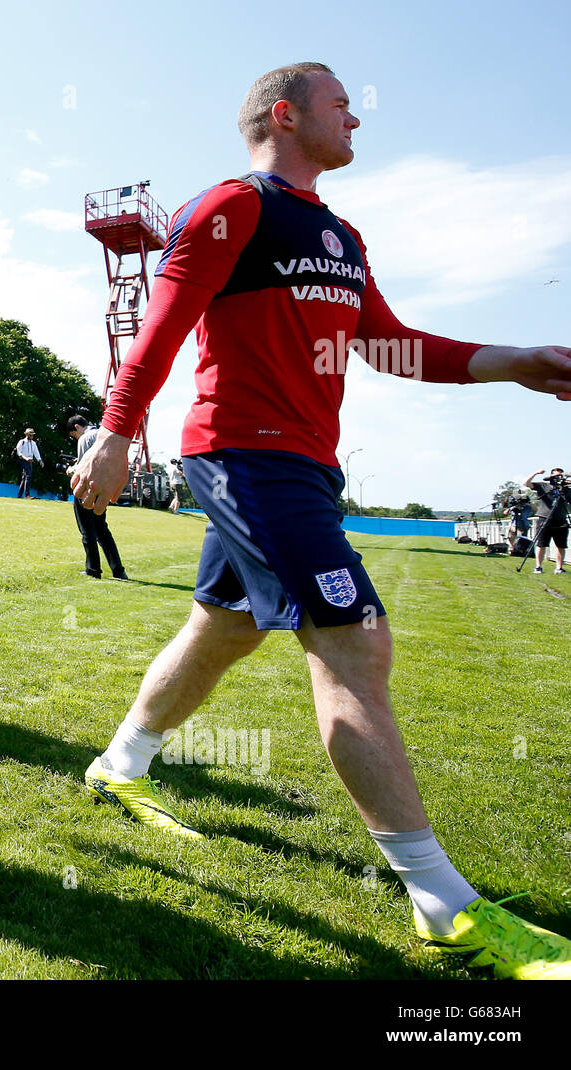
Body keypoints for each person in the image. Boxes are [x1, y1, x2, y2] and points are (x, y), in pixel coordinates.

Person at [71, 62, 571, 978]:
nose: (357, 120)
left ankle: (119, 764)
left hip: (307, 464)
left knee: (221, 629)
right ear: (288, 114)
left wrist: (519, 359)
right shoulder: (231, 207)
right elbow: (163, 324)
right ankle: (441, 902)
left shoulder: (342, 236)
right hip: (242, 455)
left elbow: (393, 345)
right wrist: (115, 434)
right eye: (344, 105)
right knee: (355, 643)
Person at [66, 416, 128, 579]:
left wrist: (71, 469)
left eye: (74, 434)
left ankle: (93, 569)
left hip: (87, 489)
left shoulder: (85, 438)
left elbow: (85, 467)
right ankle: (118, 570)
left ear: (78, 427)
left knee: (87, 531)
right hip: (103, 490)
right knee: (102, 530)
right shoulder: (102, 434)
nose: (75, 437)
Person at [523, 467, 568, 574]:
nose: (558, 479)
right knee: (541, 544)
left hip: (560, 519)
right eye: (556, 476)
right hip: (544, 518)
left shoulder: (565, 489)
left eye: (560, 476)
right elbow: (526, 483)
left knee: (561, 545)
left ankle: (559, 568)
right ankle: (538, 567)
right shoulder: (543, 486)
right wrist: (536, 473)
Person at [12, 427, 42, 498]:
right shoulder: (21, 442)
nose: (32, 436)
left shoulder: (33, 443)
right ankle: (27, 495)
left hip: (30, 461)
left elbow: (36, 452)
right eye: (31, 435)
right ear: (27, 434)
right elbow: (19, 453)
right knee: (28, 476)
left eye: (32, 435)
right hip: (23, 460)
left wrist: (40, 460)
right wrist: (26, 458)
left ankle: (19, 495)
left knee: (24, 477)